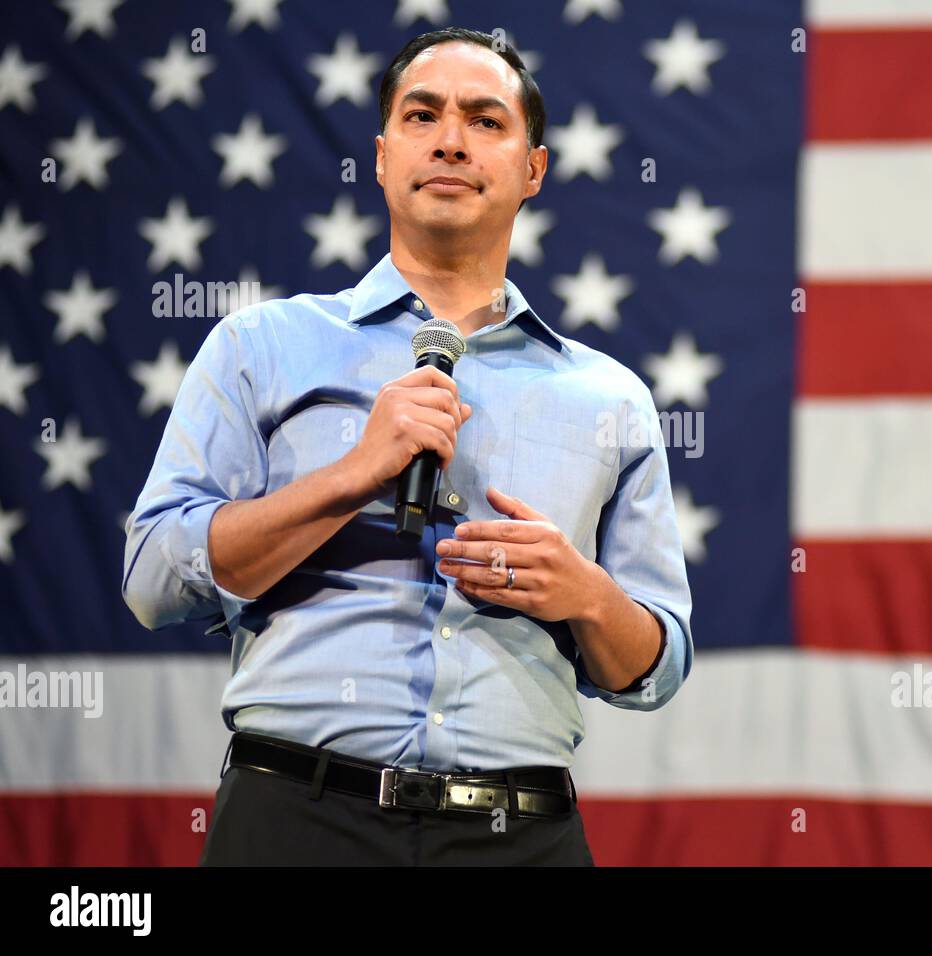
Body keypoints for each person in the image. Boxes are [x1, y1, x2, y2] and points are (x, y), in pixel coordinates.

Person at [121, 27, 693, 866]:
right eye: (423, 115)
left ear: (533, 169)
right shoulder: (260, 346)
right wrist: (352, 476)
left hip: (519, 836)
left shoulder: (610, 397)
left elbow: (655, 667)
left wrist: (588, 596)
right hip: (295, 819)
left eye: (486, 121)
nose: (452, 140)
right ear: (384, 158)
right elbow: (152, 581)